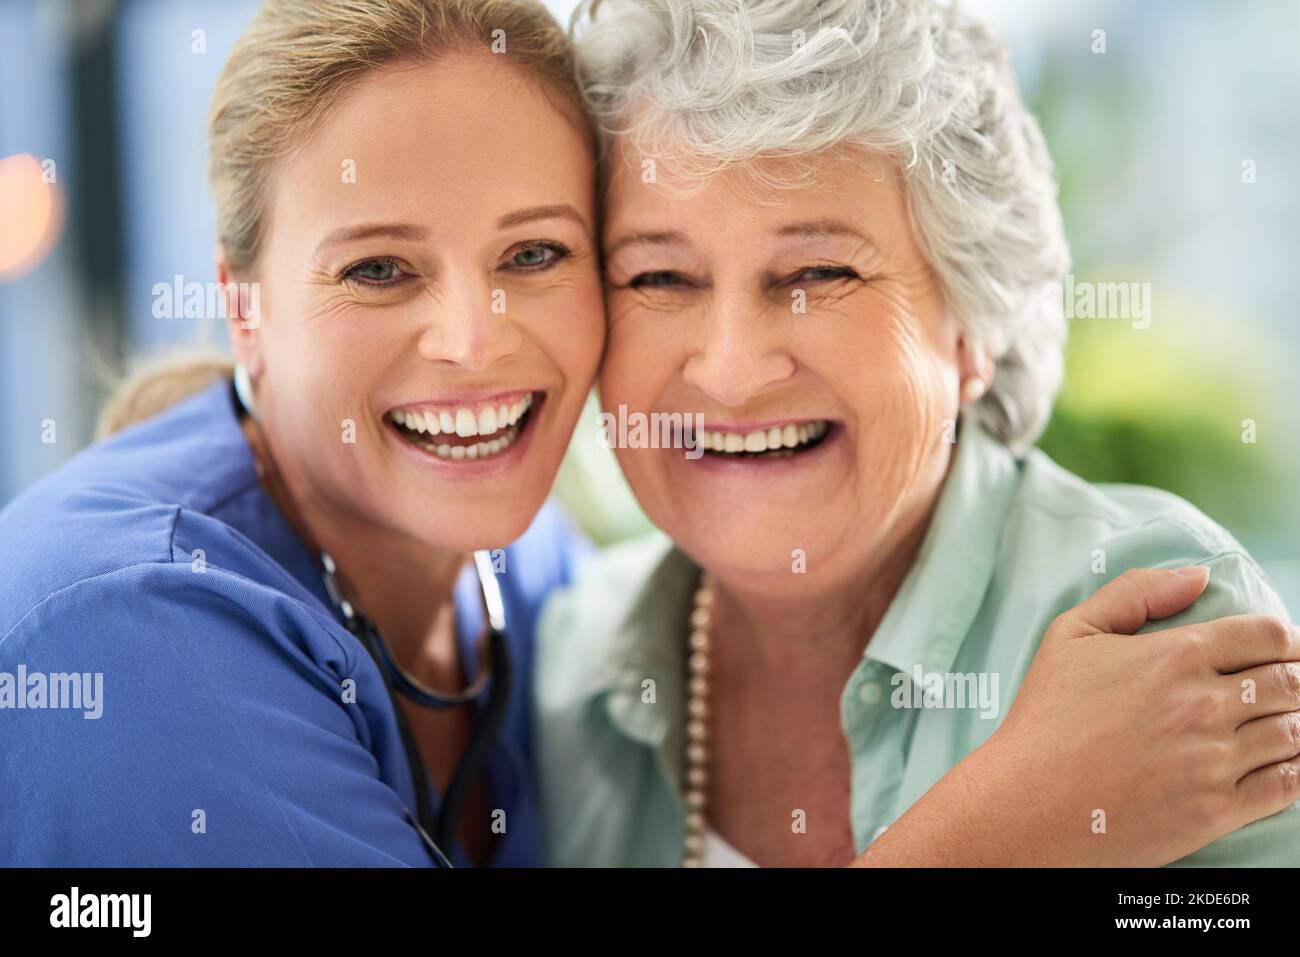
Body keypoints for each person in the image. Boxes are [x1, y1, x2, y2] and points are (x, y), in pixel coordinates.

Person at [535, 0, 1300, 866]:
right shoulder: (570, 668)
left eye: (820, 271)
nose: (732, 370)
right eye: (660, 276)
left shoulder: (1152, 630)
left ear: (974, 325)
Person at [0, 0, 603, 866]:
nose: (474, 342)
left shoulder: (531, 571)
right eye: (379, 269)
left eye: (535, 253)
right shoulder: (124, 632)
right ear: (245, 307)